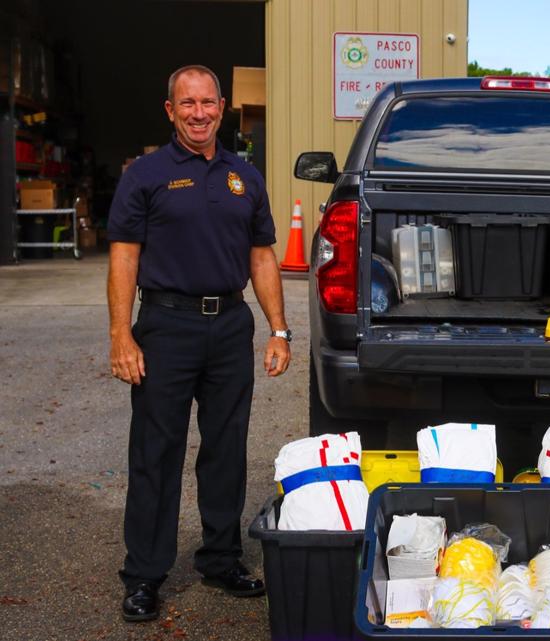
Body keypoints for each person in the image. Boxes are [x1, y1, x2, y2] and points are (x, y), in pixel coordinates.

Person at [107, 64, 292, 622]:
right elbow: (124, 256)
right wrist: (120, 333)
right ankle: (144, 574)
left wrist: (278, 328)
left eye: (208, 102)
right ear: (171, 110)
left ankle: (220, 559)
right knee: (155, 452)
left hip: (230, 326)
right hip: (165, 326)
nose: (199, 113)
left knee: (226, 449)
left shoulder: (245, 177)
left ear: (222, 107)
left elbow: (262, 256)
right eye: (187, 103)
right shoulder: (145, 174)